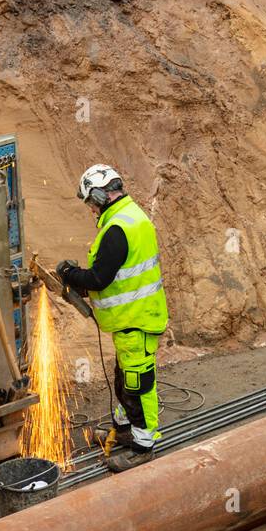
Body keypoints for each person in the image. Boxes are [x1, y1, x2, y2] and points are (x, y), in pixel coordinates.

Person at [57, 164, 168, 473]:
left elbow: (99, 278)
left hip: (137, 320)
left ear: (98, 195)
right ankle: (125, 427)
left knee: (137, 385)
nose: (90, 209)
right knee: (125, 377)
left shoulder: (118, 229)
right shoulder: (130, 215)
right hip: (134, 318)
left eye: (89, 202)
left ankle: (143, 444)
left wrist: (69, 273)